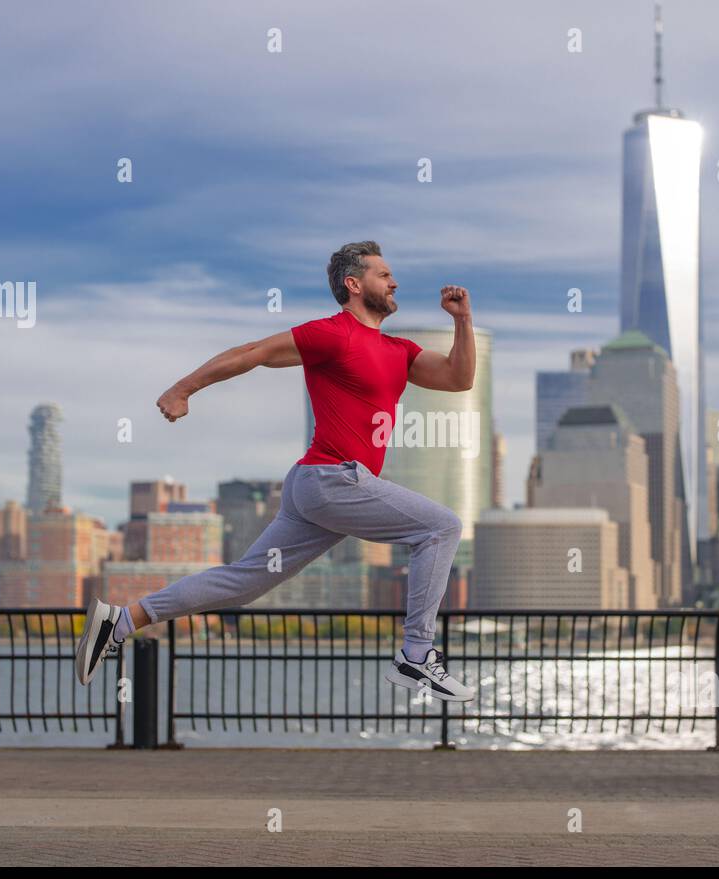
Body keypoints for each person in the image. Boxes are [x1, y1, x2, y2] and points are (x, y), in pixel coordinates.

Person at [76, 240, 475, 703]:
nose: (395, 281)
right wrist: (184, 388)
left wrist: (461, 320)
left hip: (316, 491)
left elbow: (458, 377)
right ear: (353, 284)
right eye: (384, 274)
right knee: (441, 527)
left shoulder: (398, 350)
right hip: (332, 478)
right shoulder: (333, 334)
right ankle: (417, 653)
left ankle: (121, 621)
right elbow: (254, 352)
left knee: (246, 580)